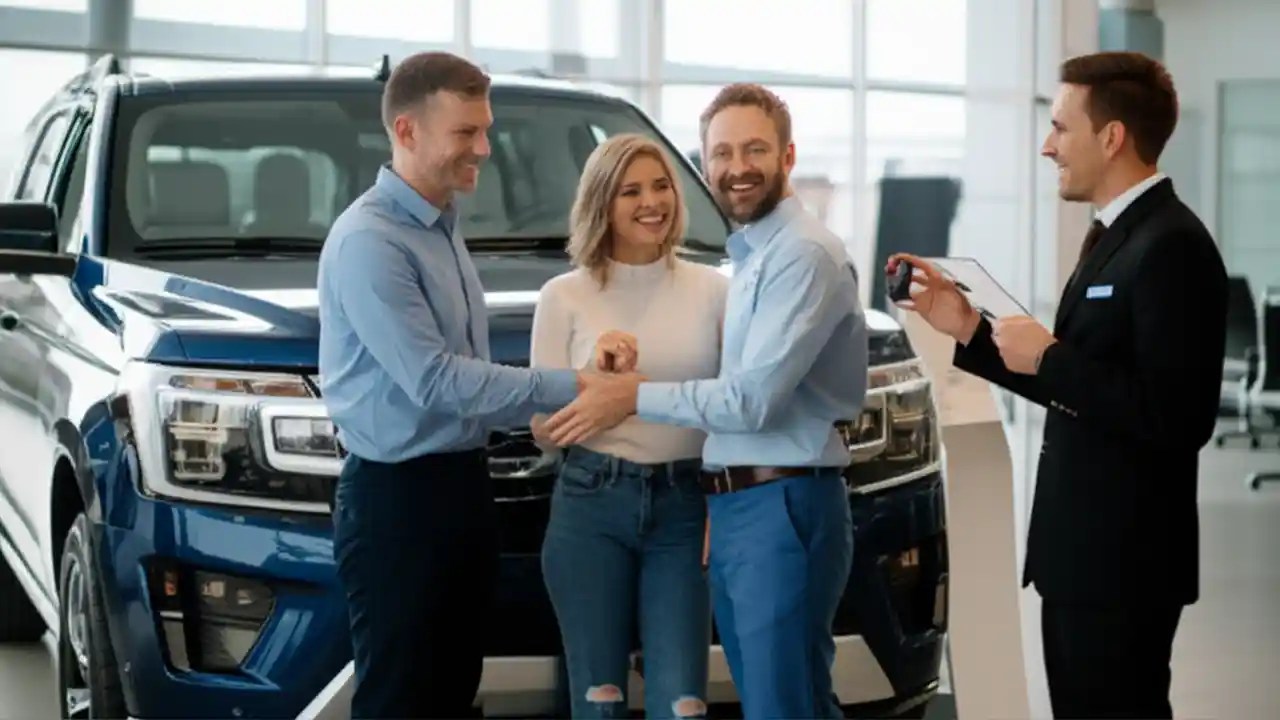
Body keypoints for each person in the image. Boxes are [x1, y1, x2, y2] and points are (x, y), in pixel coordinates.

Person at [889, 51, 1228, 719]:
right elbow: (1081, 384)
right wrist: (970, 332)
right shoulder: (1118, 237)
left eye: (1060, 127)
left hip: (1124, 566)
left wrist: (1051, 358)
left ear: (1111, 137)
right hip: (1082, 559)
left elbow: (1179, 417)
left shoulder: (1172, 245)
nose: (1048, 146)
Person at [316, 51, 636, 718]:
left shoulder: (440, 228)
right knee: (400, 700)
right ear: (407, 132)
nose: (484, 149)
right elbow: (436, 381)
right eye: (467, 132)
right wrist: (573, 384)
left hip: (460, 489)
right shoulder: (370, 242)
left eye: (485, 130)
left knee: (453, 692)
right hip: (397, 504)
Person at [543, 83, 867, 719]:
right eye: (722, 153)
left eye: (754, 150)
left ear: (788, 155)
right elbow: (547, 425)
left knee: (768, 699)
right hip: (716, 501)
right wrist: (721, 487)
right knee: (769, 697)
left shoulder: (793, 257)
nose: (737, 167)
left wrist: (633, 395)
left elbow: (749, 402)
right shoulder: (751, 258)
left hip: (763, 501)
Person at [529, 133, 728, 719]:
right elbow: (543, 428)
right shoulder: (563, 296)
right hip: (591, 504)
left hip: (686, 506)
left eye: (662, 185)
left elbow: (733, 406)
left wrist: (722, 499)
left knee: (684, 702)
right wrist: (593, 379)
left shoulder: (716, 291)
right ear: (602, 204)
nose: (652, 202)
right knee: (599, 704)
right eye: (631, 190)